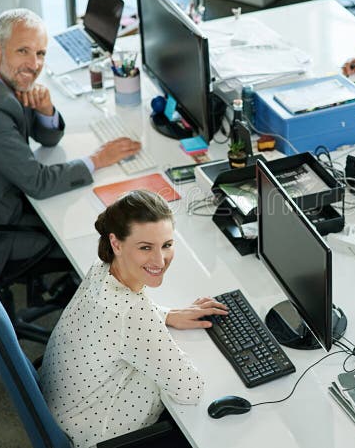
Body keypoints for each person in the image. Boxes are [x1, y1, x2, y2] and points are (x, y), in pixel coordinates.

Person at [0, 8, 141, 282]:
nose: (34, 64)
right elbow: (39, 183)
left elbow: (46, 139)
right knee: (101, 236)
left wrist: (46, 110)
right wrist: (98, 159)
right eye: (23, 51)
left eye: (40, 54)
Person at [40, 190, 229, 447]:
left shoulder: (102, 268)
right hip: (100, 436)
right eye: (145, 247)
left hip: (65, 415)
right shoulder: (130, 315)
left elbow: (124, 322)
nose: (159, 260)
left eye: (167, 245)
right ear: (116, 243)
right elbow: (190, 390)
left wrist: (167, 315)